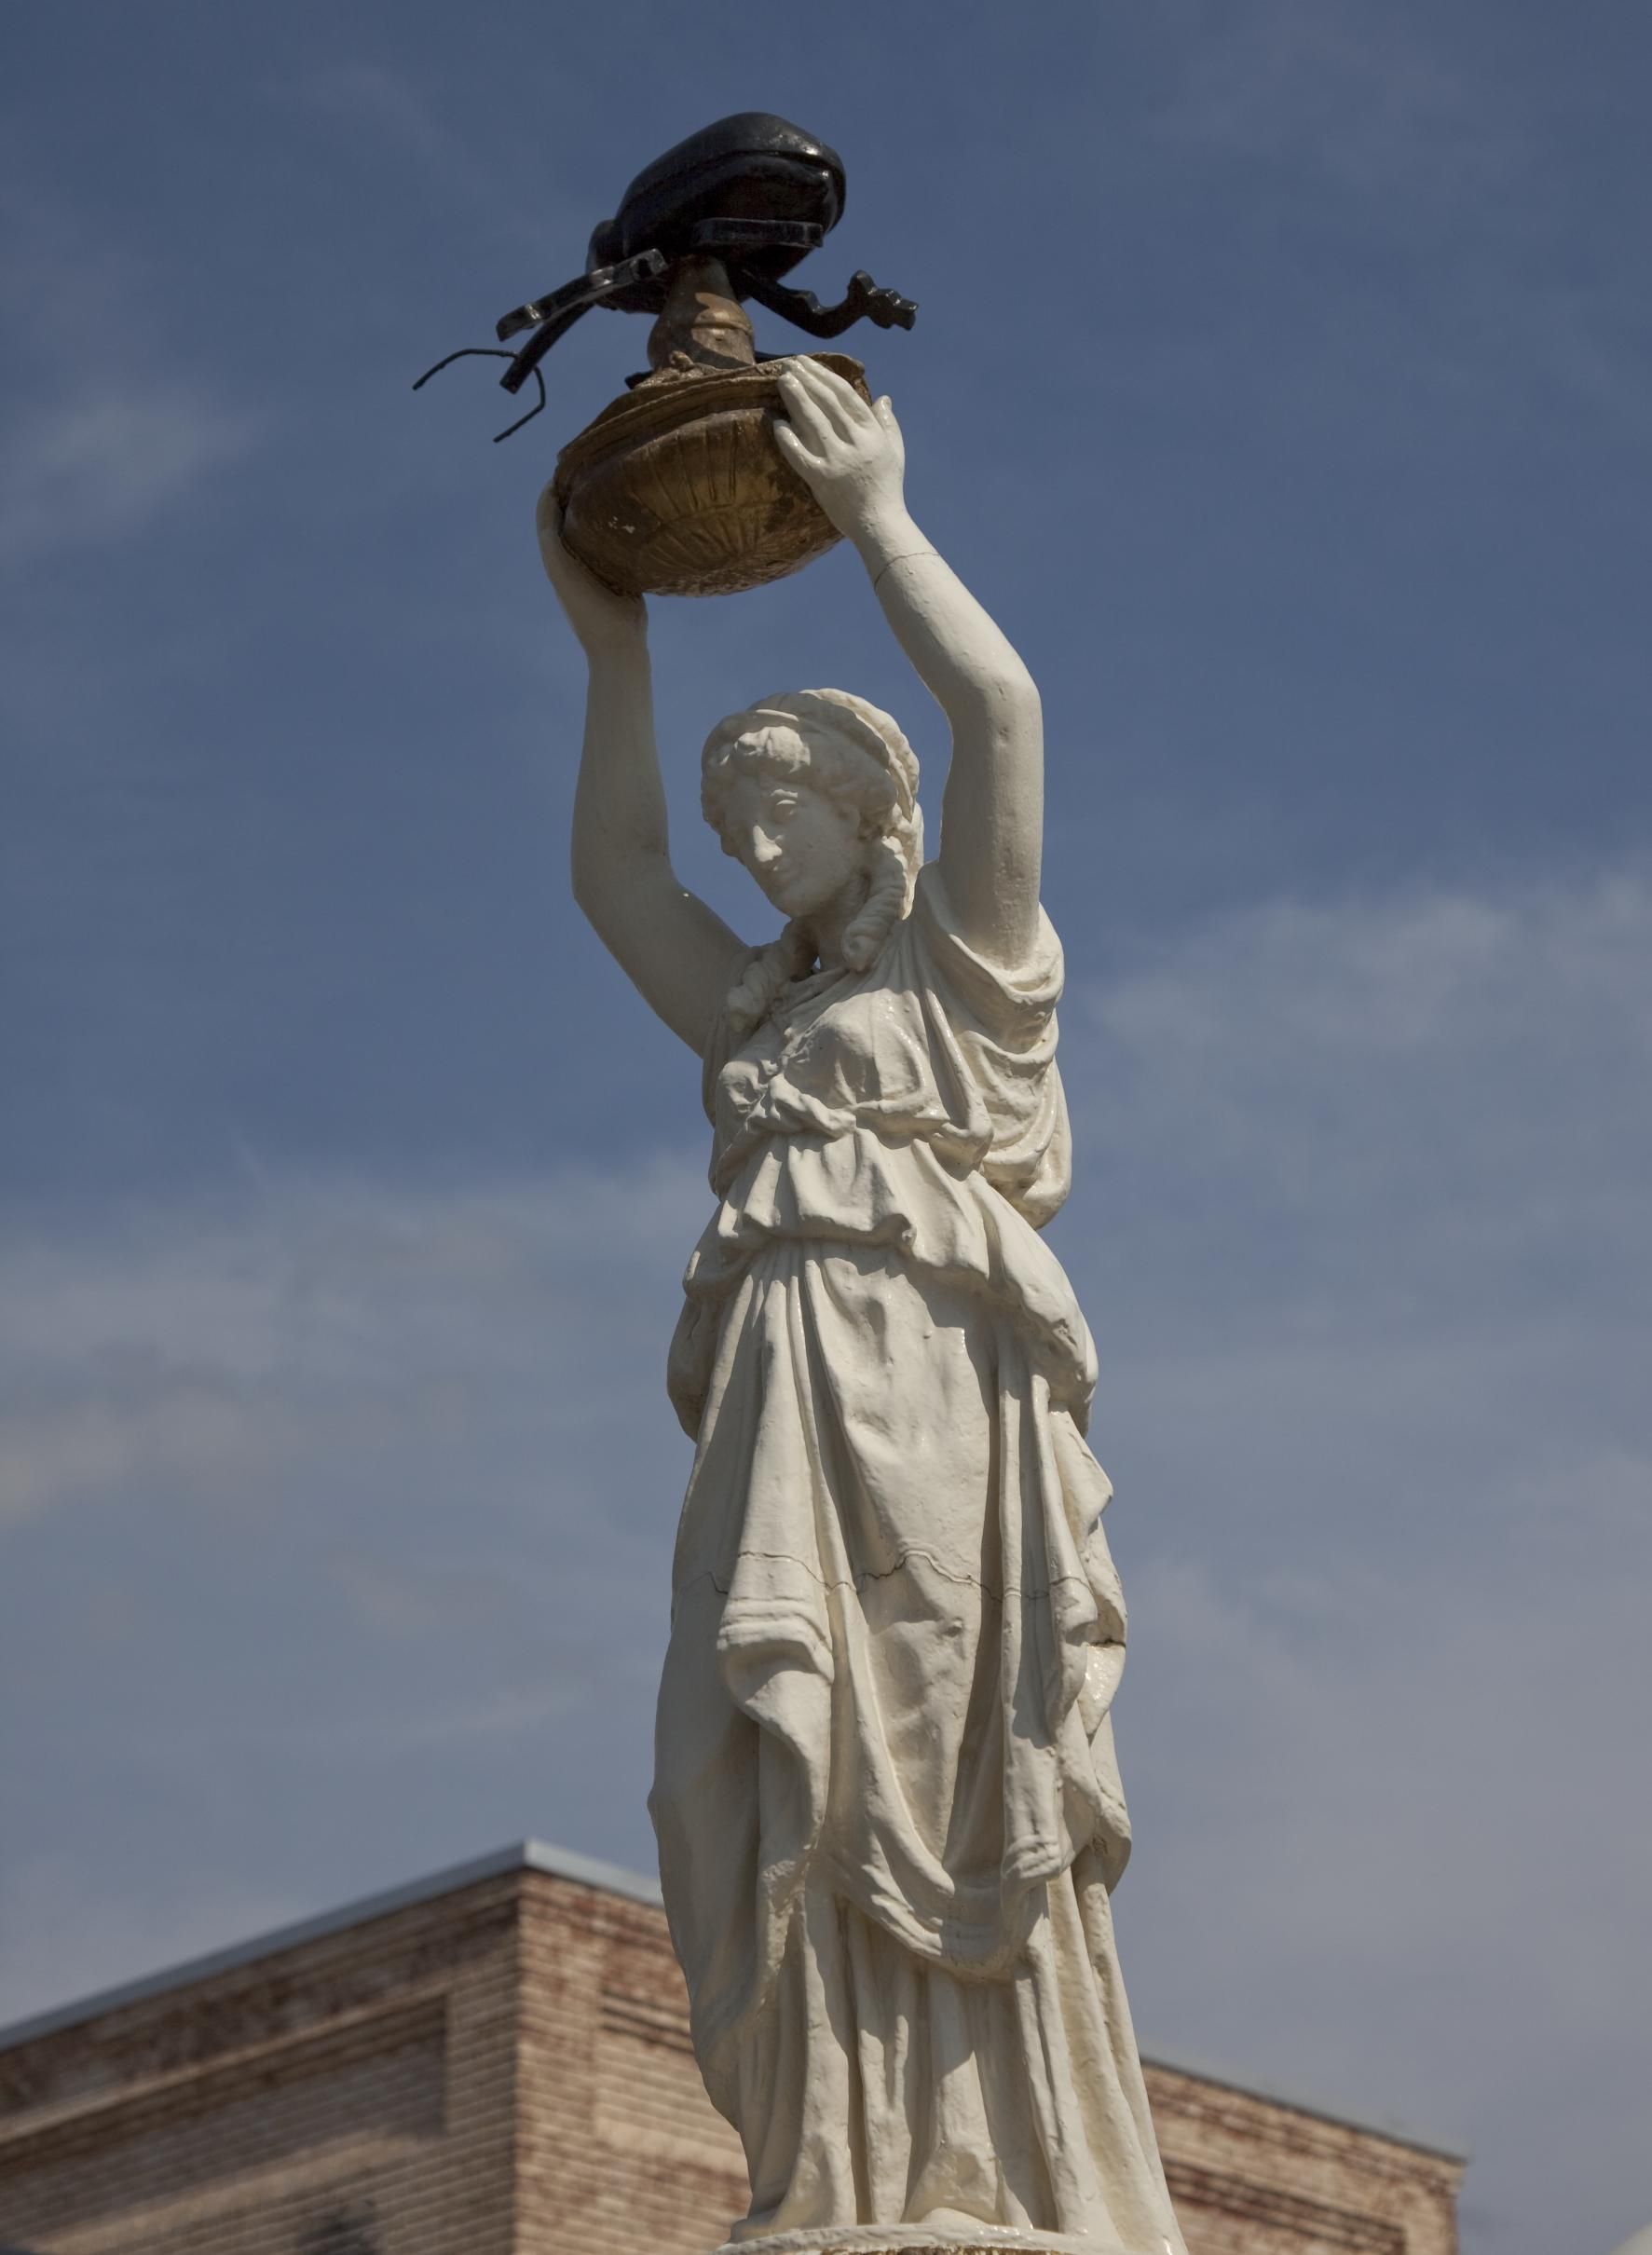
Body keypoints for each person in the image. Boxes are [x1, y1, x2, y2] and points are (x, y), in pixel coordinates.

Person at [539, 357, 1185, 2255]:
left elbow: (997, 705)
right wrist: (608, 646)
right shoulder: (758, 1018)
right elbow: (611, 875)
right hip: (775, 1405)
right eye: (740, 825)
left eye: (780, 815)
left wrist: (882, 514)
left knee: (930, 1751)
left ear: (863, 811)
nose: (749, 853)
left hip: (930, 1411)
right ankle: (824, 2163)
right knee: (729, 1779)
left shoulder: (967, 970)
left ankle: (971, 2170)